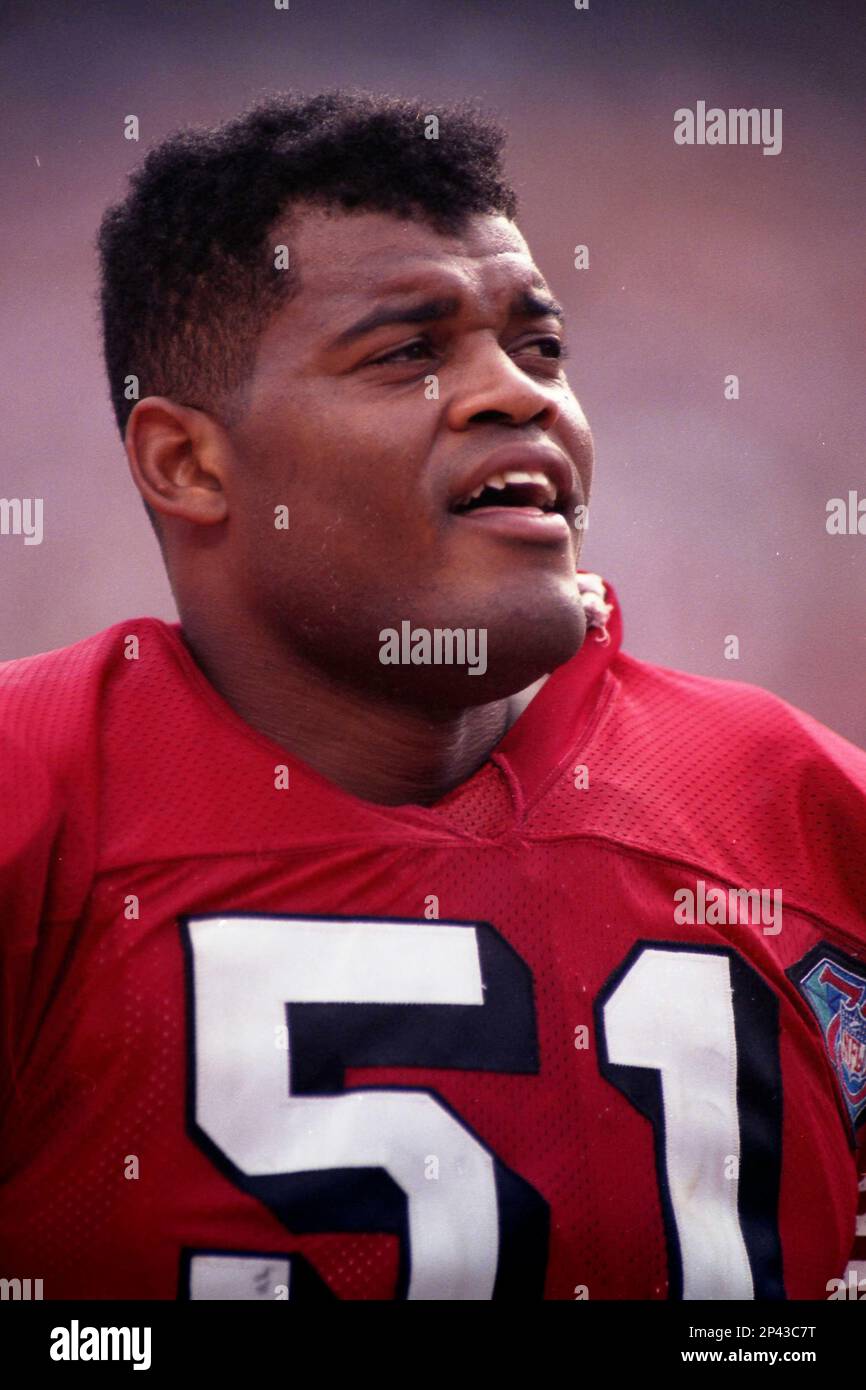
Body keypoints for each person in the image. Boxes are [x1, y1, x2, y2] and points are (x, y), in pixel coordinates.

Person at [1, 91, 864, 1301]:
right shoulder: (36, 801)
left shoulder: (799, 806)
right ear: (189, 462)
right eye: (409, 351)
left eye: (540, 346)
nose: (520, 395)